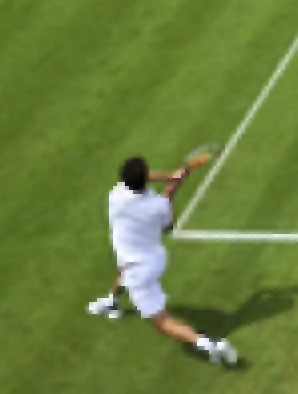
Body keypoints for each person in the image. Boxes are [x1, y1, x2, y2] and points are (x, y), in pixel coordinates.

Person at [86, 156, 239, 367]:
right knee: (121, 269)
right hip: (153, 258)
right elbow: (168, 227)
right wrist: (171, 188)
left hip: (139, 270)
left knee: (163, 323)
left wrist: (169, 179)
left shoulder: (116, 195)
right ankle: (111, 301)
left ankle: (210, 345)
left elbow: (143, 178)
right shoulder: (158, 206)